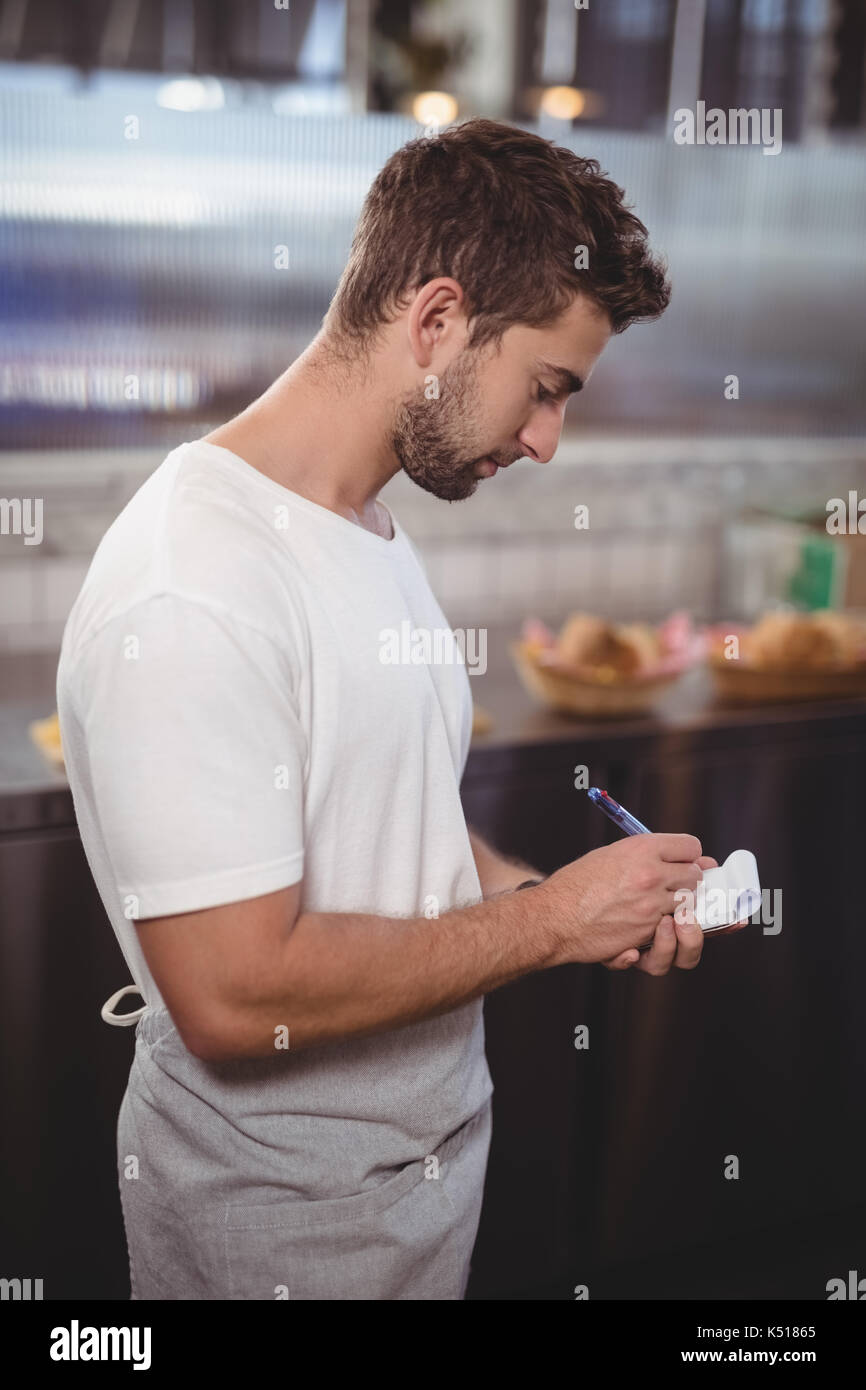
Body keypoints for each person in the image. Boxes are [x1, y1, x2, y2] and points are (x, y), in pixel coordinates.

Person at [56, 117, 744, 1302]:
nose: (544, 442)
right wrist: (547, 928)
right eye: (544, 388)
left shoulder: (365, 528)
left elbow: (400, 819)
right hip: (276, 1235)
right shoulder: (193, 583)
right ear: (433, 321)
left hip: (418, 1201)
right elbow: (231, 996)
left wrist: (556, 900)